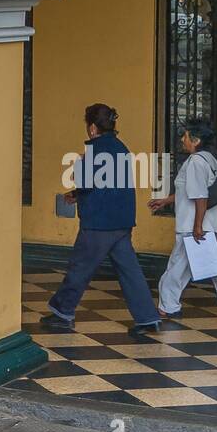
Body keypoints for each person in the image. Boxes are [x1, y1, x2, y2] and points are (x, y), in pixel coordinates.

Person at [41, 103, 162, 336]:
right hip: (122, 221)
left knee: (80, 267)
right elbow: (107, 183)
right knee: (130, 270)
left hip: (99, 223)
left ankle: (61, 313)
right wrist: (76, 194)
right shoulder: (121, 148)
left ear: (93, 127)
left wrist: (79, 164)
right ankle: (147, 318)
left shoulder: (95, 150)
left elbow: (86, 181)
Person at [149, 118, 217, 324]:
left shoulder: (195, 162)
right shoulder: (209, 159)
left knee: (177, 268)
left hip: (195, 227)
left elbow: (200, 196)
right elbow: (191, 191)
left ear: (195, 140)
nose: (182, 140)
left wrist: (197, 227)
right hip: (213, 223)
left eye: (185, 136)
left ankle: (169, 307)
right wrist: (165, 201)